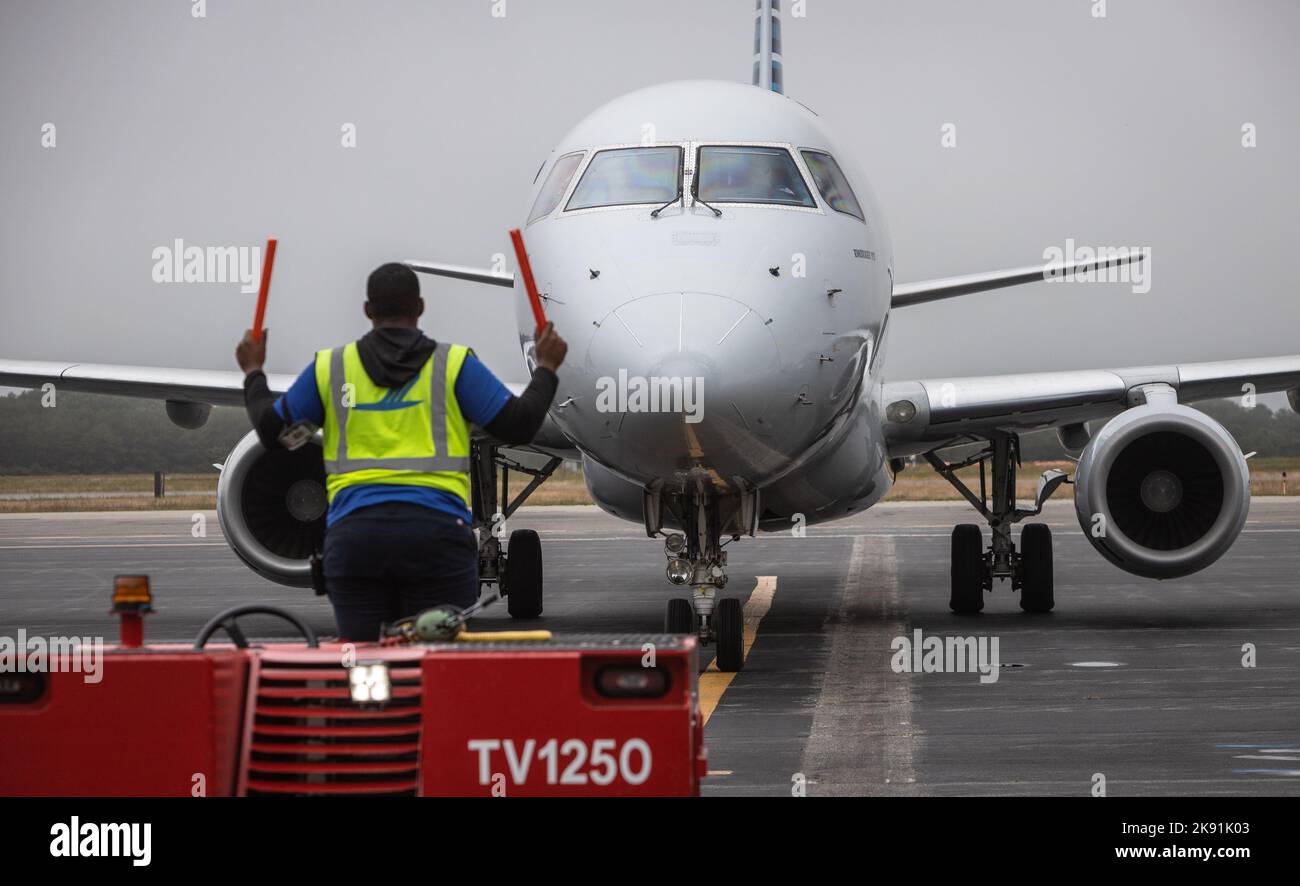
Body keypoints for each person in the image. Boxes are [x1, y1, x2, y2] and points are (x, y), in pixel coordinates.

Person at [235, 262, 567, 640]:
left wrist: (253, 372)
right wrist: (546, 369)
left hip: (357, 539)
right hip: (436, 539)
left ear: (367, 310)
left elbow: (277, 435)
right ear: (421, 307)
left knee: (363, 661)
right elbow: (520, 426)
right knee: (438, 667)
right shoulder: (455, 366)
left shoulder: (332, 369)